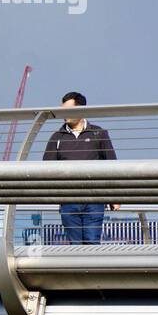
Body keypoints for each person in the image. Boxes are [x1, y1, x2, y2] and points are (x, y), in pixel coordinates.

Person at [43, 91, 119, 244]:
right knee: (74, 246)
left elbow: (112, 165)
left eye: (68, 109)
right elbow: (46, 168)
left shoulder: (99, 133)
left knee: (92, 243)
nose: (64, 114)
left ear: (81, 109)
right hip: (68, 200)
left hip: (95, 199)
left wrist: (114, 197)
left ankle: (92, 268)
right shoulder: (57, 137)